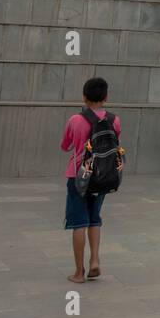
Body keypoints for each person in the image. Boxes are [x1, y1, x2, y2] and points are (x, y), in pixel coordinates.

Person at [60, 77, 122, 284]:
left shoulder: (75, 120)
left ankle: (79, 272)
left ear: (84, 97)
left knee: (79, 222)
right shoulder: (114, 119)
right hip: (102, 176)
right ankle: (95, 260)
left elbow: (65, 145)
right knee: (94, 218)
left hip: (78, 175)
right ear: (106, 97)